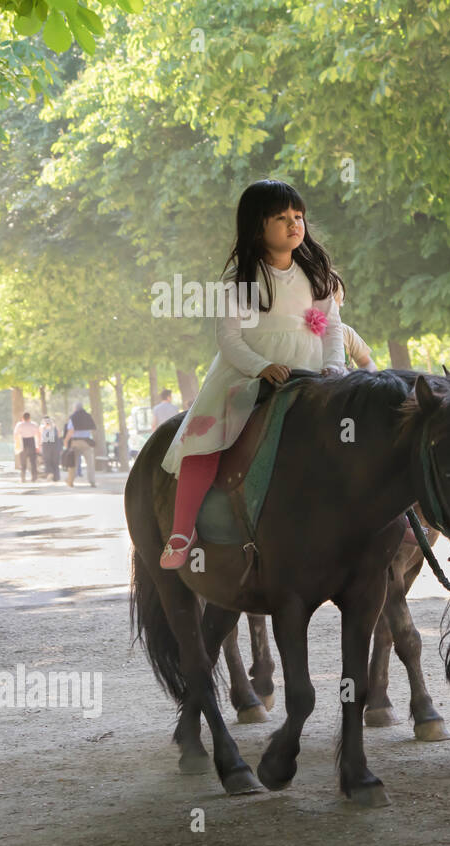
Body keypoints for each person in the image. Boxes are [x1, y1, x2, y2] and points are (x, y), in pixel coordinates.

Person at [158, 179, 345, 569]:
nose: (294, 224)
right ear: (256, 227)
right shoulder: (240, 280)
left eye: (298, 216)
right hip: (247, 372)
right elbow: (229, 339)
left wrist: (335, 367)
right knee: (206, 439)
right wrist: (261, 367)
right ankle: (182, 528)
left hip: (311, 372)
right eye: (281, 218)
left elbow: (331, 328)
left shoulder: (317, 274)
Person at [64, 402, 97, 488]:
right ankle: (92, 481)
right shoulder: (88, 416)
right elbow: (93, 428)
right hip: (87, 442)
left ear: (75, 408)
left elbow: (71, 431)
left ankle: (70, 481)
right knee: (90, 463)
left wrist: (66, 440)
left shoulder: (73, 417)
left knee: (73, 462)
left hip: (75, 442)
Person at [13, 412, 40, 482]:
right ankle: (34, 478)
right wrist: (38, 445)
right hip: (32, 442)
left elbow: (15, 435)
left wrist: (17, 444)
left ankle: (23, 478)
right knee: (33, 462)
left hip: (23, 443)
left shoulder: (19, 425)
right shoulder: (34, 424)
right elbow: (38, 435)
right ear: (29, 418)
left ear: (23, 418)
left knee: (23, 462)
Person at [40, 416, 60, 481]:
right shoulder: (54, 426)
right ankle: (56, 477)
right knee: (55, 461)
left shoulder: (43, 427)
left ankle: (50, 472)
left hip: (46, 444)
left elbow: (40, 435)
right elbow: (59, 435)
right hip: (55, 444)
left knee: (47, 460)